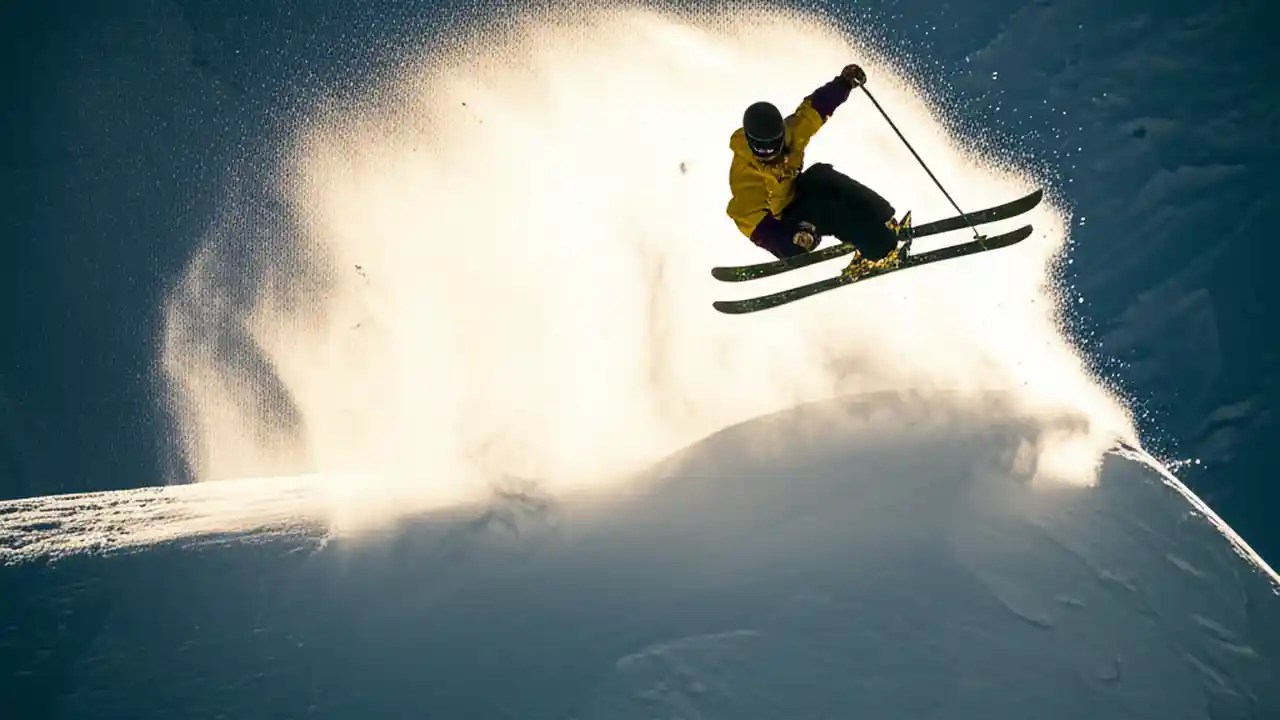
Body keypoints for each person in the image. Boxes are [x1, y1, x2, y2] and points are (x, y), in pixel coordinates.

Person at [725, 64, 910, 279]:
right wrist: (791, 242)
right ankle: (880, 251)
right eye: (762, 150)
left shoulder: (792, 134)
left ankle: (883, 220)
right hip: (788, 223)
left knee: (823, 176)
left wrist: (843, 83)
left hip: (798, 194)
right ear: (750, 143)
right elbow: (754, 223)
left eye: (774, 145)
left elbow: (815, 109)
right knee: (827, 210)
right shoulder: (746, 174)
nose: (770, 154)